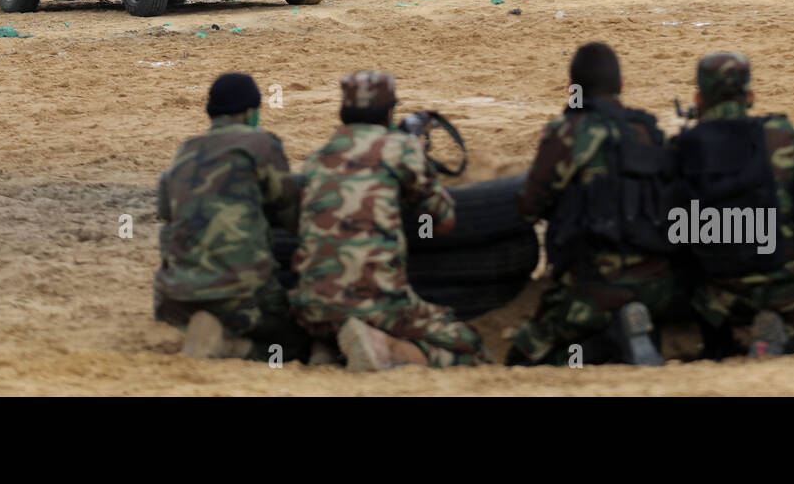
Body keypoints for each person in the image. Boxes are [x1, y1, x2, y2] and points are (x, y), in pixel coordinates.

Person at [290, 70, 489, 370]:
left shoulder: (318, 158)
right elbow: (445, 221)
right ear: (389, 113)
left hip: (312, 308)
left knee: (335, 313)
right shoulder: (402, 149)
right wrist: (419, 158)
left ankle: (327, 349)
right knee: (468, 345)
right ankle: (388, 351)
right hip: (378, 305)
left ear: (343, 112)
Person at [507, 42, 675, 366]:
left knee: (524, 359)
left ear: (573, 90)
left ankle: (611, 337)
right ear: (622, 86)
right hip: (660, 282)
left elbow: (530, 206)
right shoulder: (648, 132)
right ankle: (630, 332)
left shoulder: (568, 132)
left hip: (593, 283)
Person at [673, 52, 794, 358]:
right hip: (786, 287)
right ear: (750, 96)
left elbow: (669, 224)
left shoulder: (682, 147)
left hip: (717, 295)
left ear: (698, 98)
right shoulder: (779, 135)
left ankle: (725, 345)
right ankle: (791, 343)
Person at [153, 72, 310, 362]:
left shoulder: (185, 150)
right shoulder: (262, 144)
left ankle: (203, 322)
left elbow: (166, 212)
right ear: (250, 111)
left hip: (172, 297)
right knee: (299, 342)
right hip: (239, 294)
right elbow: (291, 213)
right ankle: (228, 344)